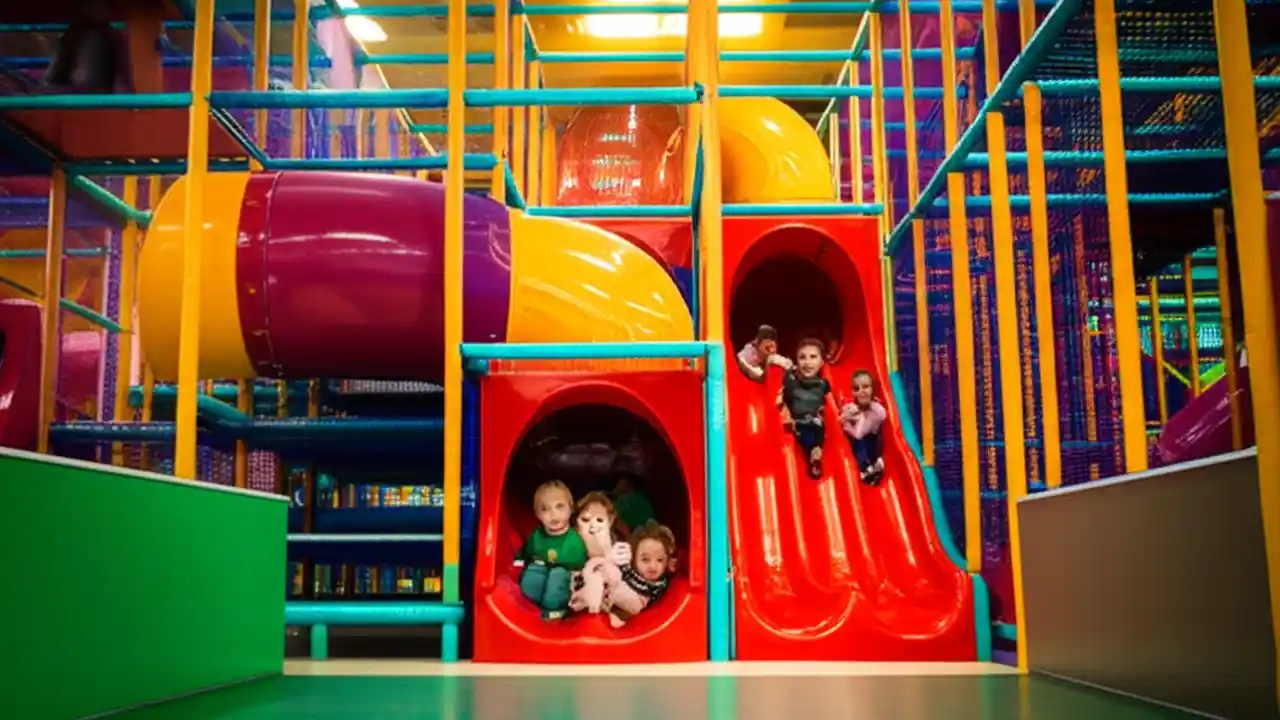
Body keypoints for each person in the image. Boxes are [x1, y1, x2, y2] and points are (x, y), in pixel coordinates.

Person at [516, 480, 587, 620]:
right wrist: (519, 562)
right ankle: (529, 603)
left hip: (566, 577)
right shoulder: (537, 536)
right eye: (545, 509)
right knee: (534, 570)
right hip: (543, 567)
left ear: (571, 509)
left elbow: (579, 566)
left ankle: (555, 609)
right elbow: (525, 552)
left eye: (559, 507)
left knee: (558, 576)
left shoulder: (574, 540)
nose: (553, 515)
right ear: (537, 514)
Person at [43, 0, 132, 94]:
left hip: (100, 98)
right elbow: (57, 75)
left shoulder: (114, 37)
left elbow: (122, 80)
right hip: (77, 96)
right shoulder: (72, 36)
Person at [604, 520, 676, 628]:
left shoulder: (660, 584)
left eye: (660, 560)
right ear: (633, 558)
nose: (653, 566)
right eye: (645, 560)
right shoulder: (627, 570)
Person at [779, 338, 832, 479]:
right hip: (799, 421)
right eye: (802, 357)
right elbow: (783, 392)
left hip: (816, 422)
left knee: (818, 427)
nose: (807, 362)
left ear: (821, 363)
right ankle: (814, 453)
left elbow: (832, 403)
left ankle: (816, 451)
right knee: (806, 428)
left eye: (813, 357)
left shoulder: (823, 384)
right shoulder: (793, 383)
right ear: (796, 361)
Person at [841, 370, 887, 485]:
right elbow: (845, 426)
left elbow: (882, 416)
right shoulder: (850, 408)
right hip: (858, 446)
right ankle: (867, 469)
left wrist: (862, 415)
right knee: (858, 441)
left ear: (872, 390)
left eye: (865, 387)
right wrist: (849, 416)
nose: (861, 391)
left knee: (871, 437)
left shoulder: (876, 409)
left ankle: (872, 467)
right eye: (856, 388)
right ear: (853, 393)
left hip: (872, 444)